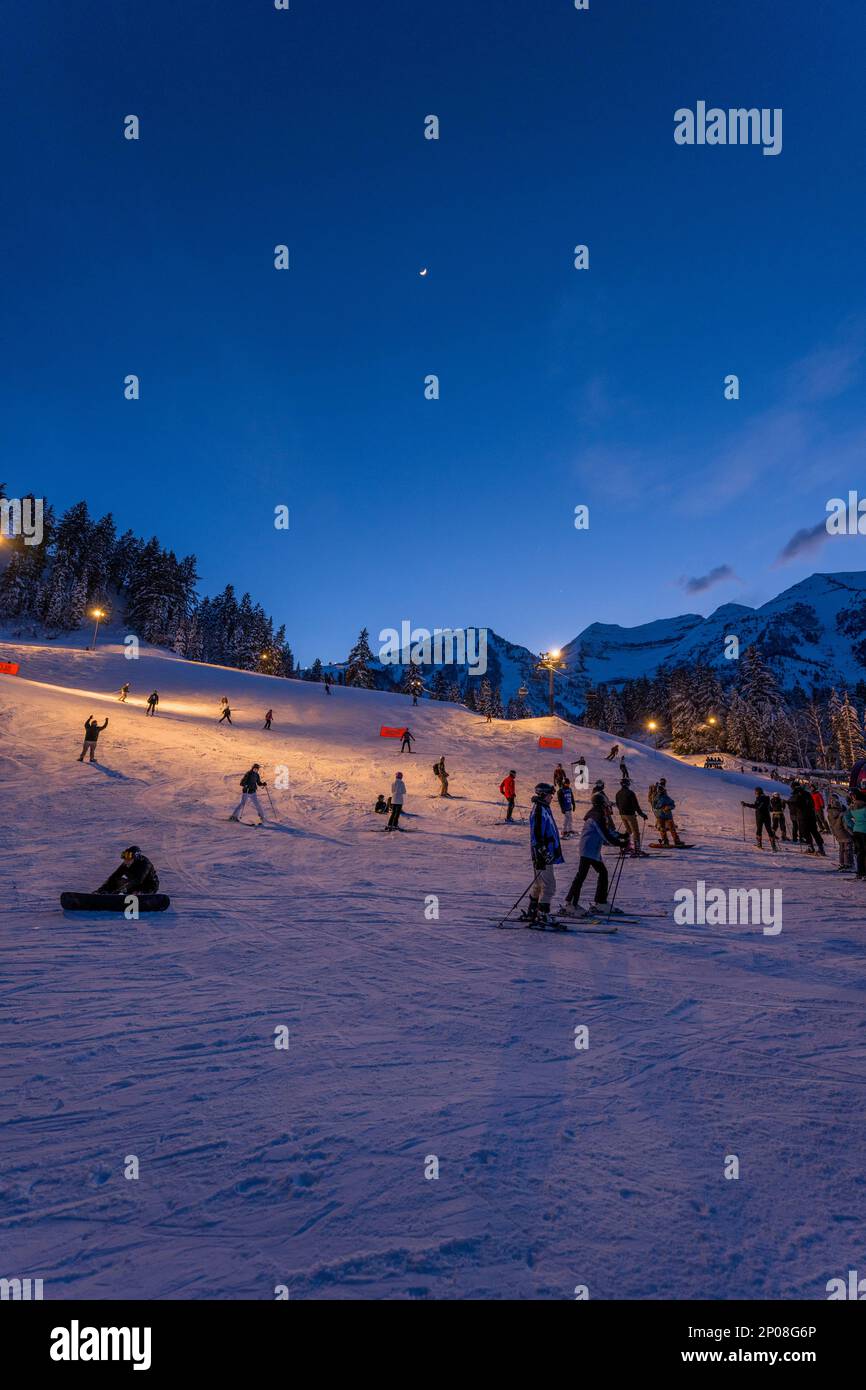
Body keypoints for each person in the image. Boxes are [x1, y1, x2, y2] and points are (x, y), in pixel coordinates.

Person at [560, 792, 628, 917]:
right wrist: (620, 843)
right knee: (582, 876)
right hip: (588, 850)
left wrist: (621, 836)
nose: (608, 807)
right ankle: (570, 904)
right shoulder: (596, 816)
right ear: (602, 804)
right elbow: (605, 835)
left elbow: (607, 831)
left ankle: (599, 902)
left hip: (592, 850)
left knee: (601, 873)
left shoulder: (598, 815)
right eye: (606, 804)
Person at [520, 783, 564, 926]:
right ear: (544, 795)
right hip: (542, 855)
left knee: (539, 884)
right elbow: (537, 837)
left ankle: (533, 912)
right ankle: (542, 915)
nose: (552, 797)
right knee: (549, 885)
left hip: (542, 854)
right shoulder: (539, 811)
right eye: (550, 795)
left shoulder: (543, 808)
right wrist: (544, 853)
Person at [790, 781, 826, 855]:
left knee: (805, 832)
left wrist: (793, 811)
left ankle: (810, 847)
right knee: (814, 831)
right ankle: (821, 847)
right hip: (811, 815)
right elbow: (812, 803)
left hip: (802, 816)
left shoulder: (796, 794)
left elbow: (793, 805)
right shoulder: (807, 793)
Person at [615, 779, 648, 855]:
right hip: (630, 815)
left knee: (628, 831)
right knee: (635, 832)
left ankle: (626, 846)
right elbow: (636, 805)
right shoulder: (630, 793)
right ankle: (637, 850)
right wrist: (642, 814)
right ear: (627, 784)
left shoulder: (618, 793)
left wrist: (622, 811)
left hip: (622, 815)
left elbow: (617, 804)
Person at [741, 787, 778, 851]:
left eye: (756, 792)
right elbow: (770, 808)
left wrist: (745, 804)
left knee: (759, 829)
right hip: (767, 816)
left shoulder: (759, 798)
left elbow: (756, 806)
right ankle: (773, 846)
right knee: (769, 830)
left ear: (757, 792)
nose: (755, 794)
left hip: (760, 816)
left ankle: (759, 844)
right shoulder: (767, 798)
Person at [652, 779, 685, 847]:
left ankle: (677, 841)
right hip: (660, 815)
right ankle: (665, 841)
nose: (660, 790)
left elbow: (673, 805)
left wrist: (668, 807)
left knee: (672, 829)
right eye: (660, 789)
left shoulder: (666, 797)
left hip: (667, 816)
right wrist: (662, 807)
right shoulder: (656, 797)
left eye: (662, 789)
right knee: (662, 829)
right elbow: (654, 806)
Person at [827, 792, 854, 871]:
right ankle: (848, 863)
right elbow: (846, 826)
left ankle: (842, 862)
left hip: (837, 833)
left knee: (841, 849)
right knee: (848, 849)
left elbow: (831, 825)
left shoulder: (829, 814)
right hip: (845, 834)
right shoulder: (842, 815)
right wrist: (852, 833)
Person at [844, 797, 866, 879]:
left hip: (856, 831)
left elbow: (846, 816)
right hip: (864, 832)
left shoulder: (852, 809)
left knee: (860, 852)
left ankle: (860, 872)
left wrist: (853, 826)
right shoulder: (864, 809)